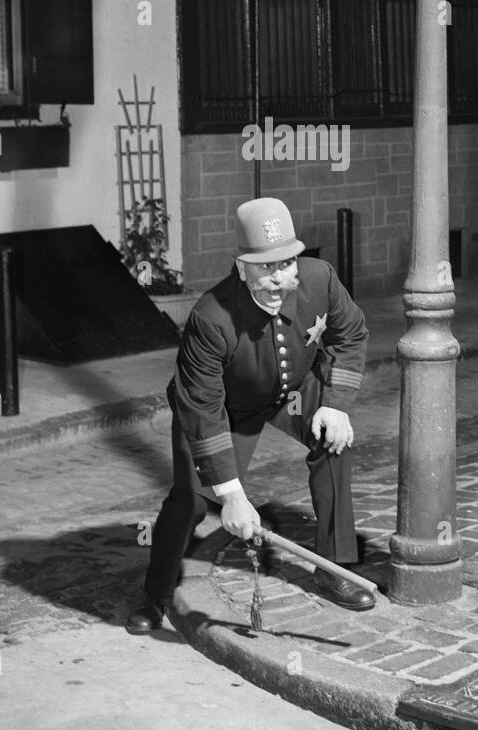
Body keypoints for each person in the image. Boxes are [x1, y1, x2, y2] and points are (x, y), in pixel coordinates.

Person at [126, 196, 374, 633]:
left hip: (291, 392)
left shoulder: (322, 280)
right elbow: (202, 407)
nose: (278, 279)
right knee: (191, 499)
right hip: (223, 409)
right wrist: (233, 495)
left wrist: (336, 405)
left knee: (334, 443)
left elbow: (351, 333)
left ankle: (334, 567)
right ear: (241, 267)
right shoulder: (210, 317)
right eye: (264, 268)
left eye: (286, 264)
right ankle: (155, 594)